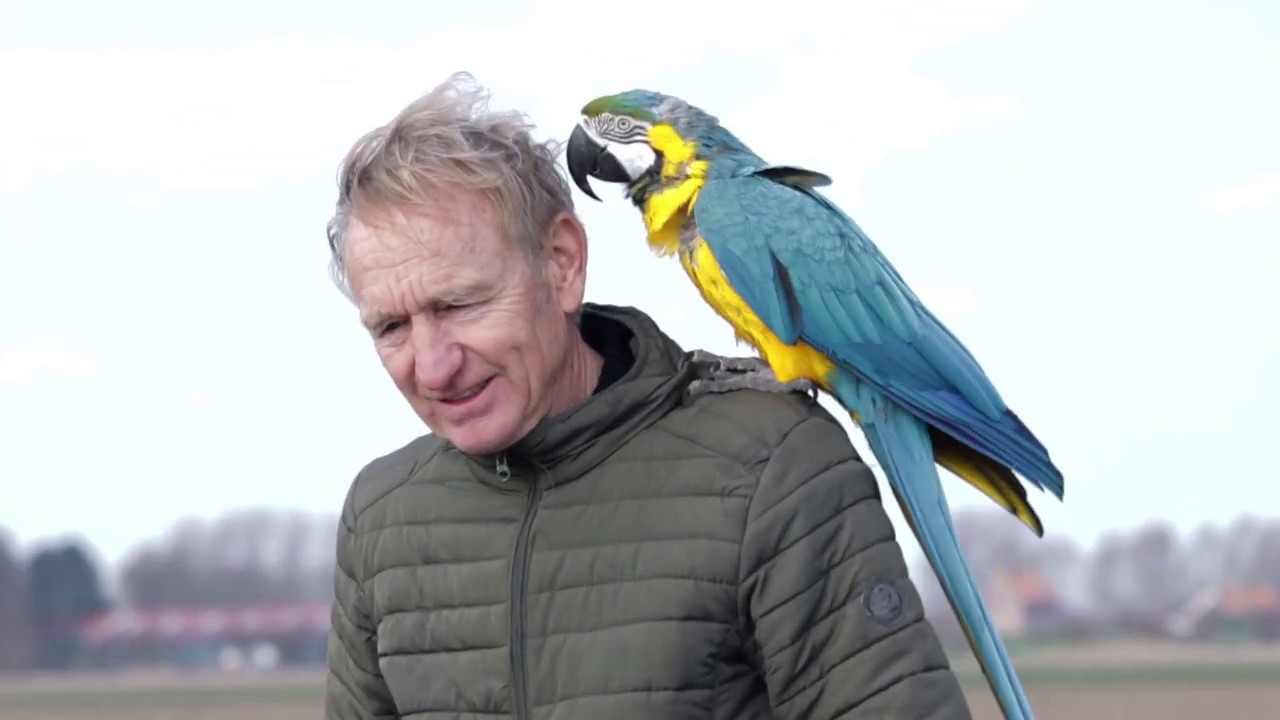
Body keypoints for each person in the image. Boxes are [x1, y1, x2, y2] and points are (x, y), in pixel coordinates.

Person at [321, 71, 973, 720]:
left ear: (562, 263)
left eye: (461, 305)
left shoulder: (773, 467)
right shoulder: (381, 517)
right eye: (391, 327)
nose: (432, 369)